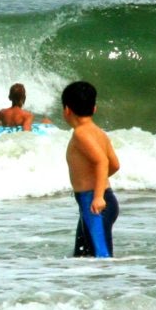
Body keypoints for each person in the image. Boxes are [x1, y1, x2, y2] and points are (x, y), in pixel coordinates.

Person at [62, 80, 120, 257]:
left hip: (94, 204)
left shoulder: (80, 133)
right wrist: (99, 186)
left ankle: (114, 285)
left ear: (67, 110)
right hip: (96, 202)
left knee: (102, 260)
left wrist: (97, 196)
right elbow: (115, 165)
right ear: (94, 109)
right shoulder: (99, 133)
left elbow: (102, 161)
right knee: (81, 257)